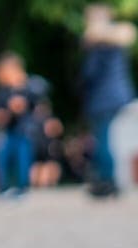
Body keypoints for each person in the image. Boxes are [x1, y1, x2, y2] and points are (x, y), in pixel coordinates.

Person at [81, 4, 136, 197]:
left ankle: (107, 181)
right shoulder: (115, 43)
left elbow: (90, 74)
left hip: (104, 99)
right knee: (106, 139)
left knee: (102, 140)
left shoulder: (100, 45)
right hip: (115, 97)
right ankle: (108, 179)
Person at [0, 52, 37, 197]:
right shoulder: (3, 92)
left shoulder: (27, 88)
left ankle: (22, 186)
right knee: (2, 156)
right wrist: (0, 115)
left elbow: (30, 104)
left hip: (23, 131)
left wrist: (19, 98)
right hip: (8, 131)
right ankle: (3, 186)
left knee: (22, 157)